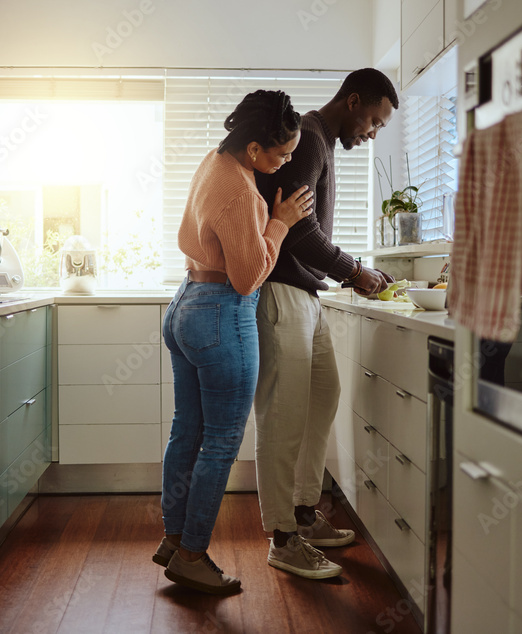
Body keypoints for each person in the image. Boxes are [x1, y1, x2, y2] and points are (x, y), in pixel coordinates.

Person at [155, 90, 314, 595]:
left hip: (185, 306)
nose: (286, 162)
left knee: (186, 431)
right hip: (222, 313)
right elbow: (248, 278)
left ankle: (174, 538)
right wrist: (281, 223)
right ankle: (193, 557)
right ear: (253, 149)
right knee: (221, 442)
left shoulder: (214, 162)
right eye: (281, 154)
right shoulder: (243, 192)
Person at [253, 68, 399, 579]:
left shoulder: (320, 143)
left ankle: (301, 512)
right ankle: (283, 538)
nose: (373, 133)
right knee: (284, 414)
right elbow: (298, 234)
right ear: (353, 100)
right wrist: (356, 271)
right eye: (374, 121)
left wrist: (347, 273)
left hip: (304, 295)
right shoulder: (311, 140)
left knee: (321, 399)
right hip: (282, 292)